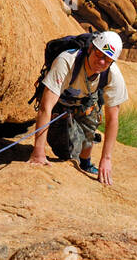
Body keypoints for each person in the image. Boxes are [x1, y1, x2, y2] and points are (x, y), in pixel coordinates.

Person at [29, 30, 127, 186]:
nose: (101, 62)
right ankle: (69, 148)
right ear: (90, 49)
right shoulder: (67, 61)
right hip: (60, 102)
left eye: (107, 60)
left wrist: (106, 159)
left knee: (91, 126)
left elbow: (113, 118)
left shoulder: (112, 74)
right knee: (65, 153)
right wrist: (38, 153)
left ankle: (85, 161)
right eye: (99, 55)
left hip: (86, 100)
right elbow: (45, 107)